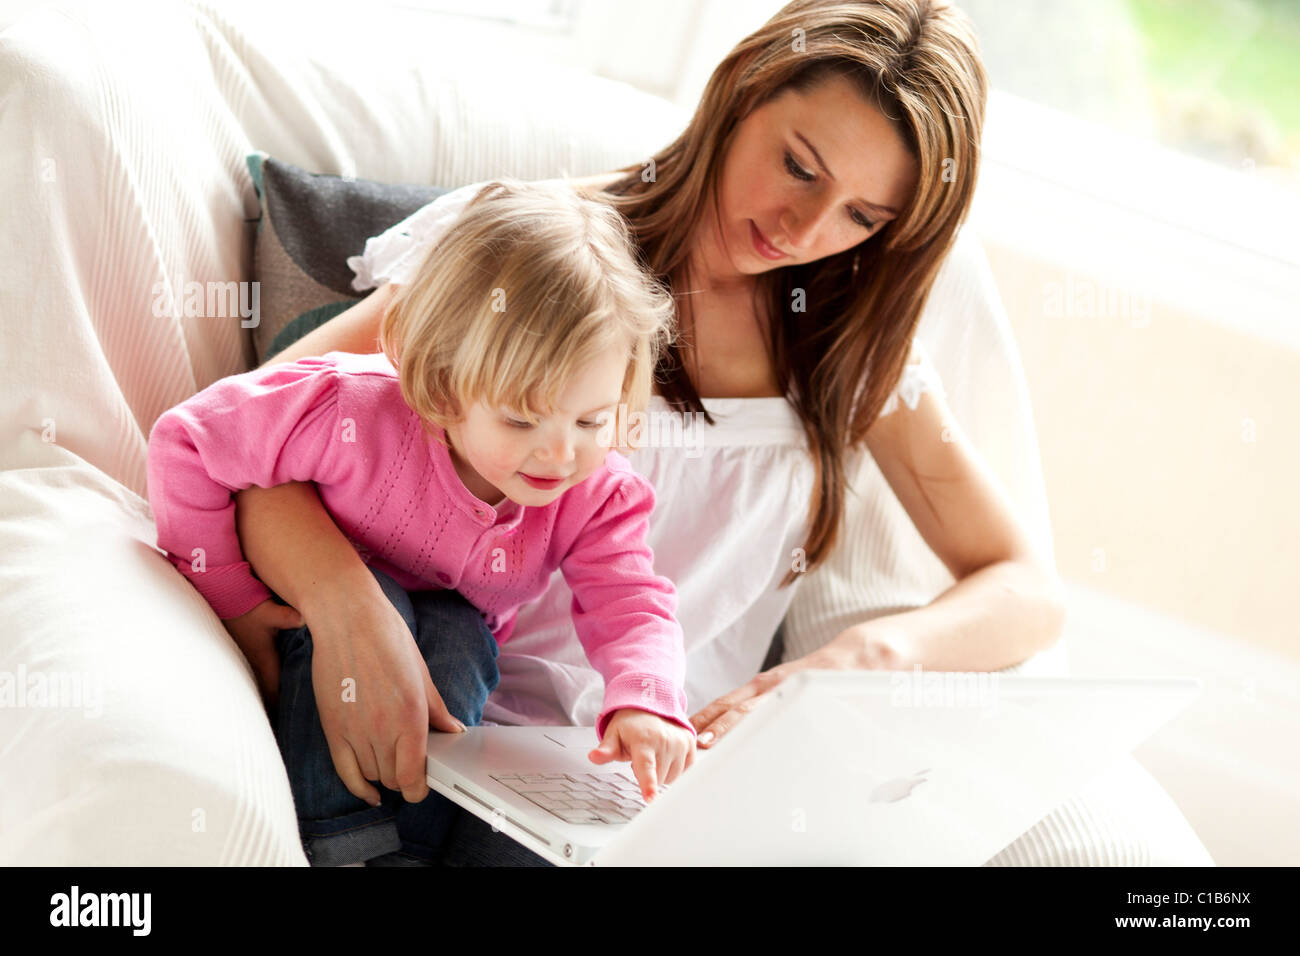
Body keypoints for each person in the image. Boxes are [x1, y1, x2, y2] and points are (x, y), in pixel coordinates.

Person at [230, 0, 1068, 866]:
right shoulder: (531, 254)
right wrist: (346, 605)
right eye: (799, 166)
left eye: (862, 216)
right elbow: (251, 433)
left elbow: (1026, 591)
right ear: (743, 90)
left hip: (644, 785)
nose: (804, 231)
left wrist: (863, 658)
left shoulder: (847, 352)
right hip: (450, 717)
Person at [146, 179, 695, 866]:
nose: (561, 453)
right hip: (319, 610)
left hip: (454, 633)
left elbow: (632, 601)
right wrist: (234, 599)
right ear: (442, 382)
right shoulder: (351, 408)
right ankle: (340, 843)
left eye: (590, 420)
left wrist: (646, 701)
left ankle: (411, 846)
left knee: (457, 644)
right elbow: (186, 441)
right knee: (394, 617)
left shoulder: (598, 490)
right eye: (521, 419)